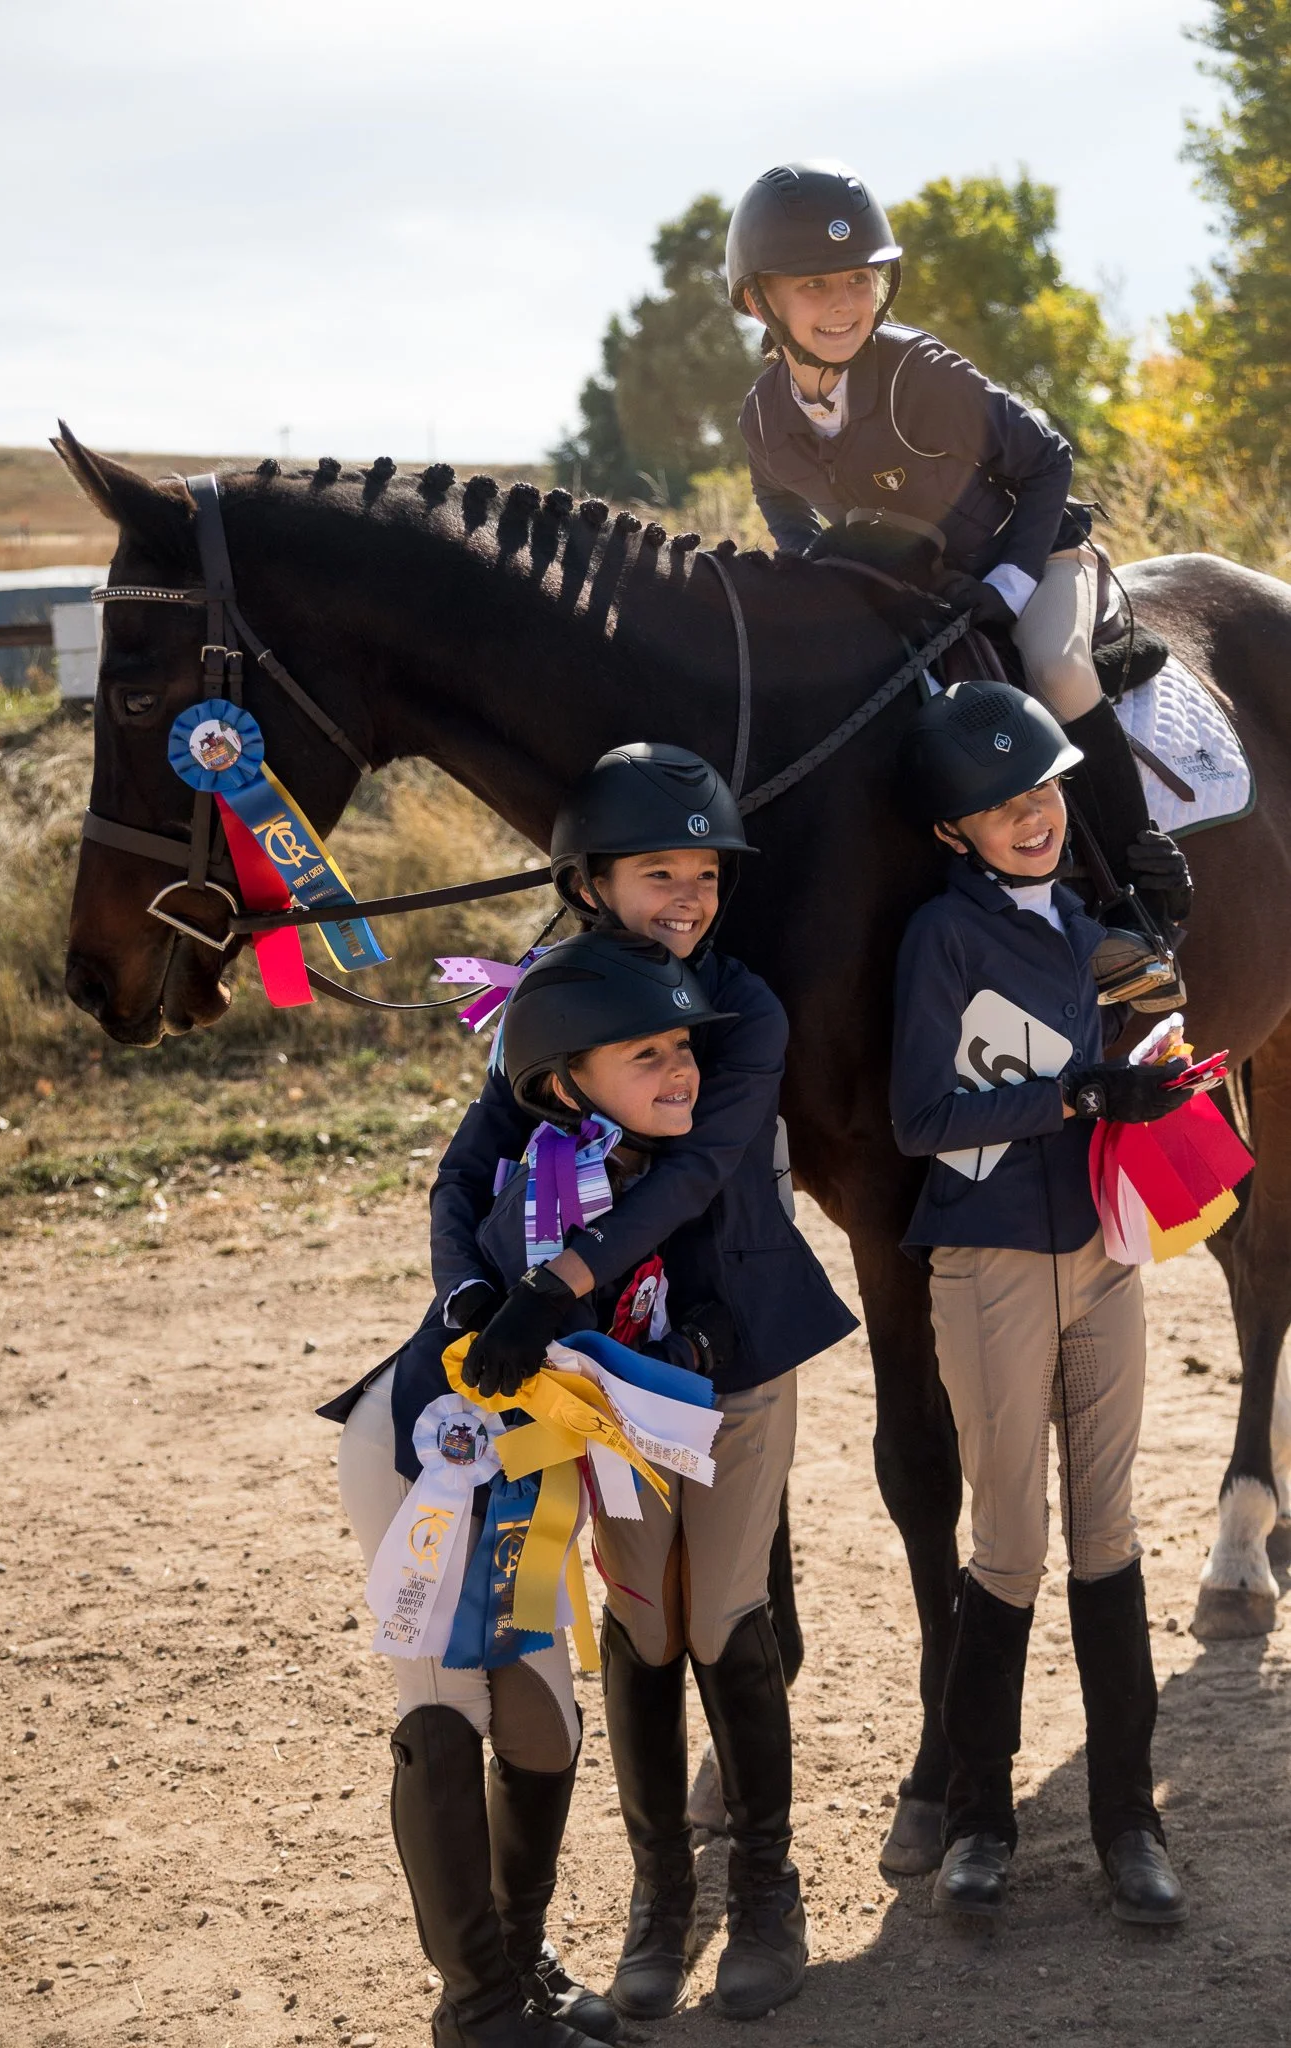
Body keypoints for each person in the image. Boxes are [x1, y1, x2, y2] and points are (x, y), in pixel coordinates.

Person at [435, 743, 858, 2024]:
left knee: (727, 1608)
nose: (688, 892)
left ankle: (766, 1883)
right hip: (604, 1377)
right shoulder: (551, 1001)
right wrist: (471, 1295)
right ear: (589, 881)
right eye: (657, 870)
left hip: (729, 1356)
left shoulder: (745, 1006)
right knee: (640, 1617)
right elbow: (465, 1173)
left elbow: (695, 1173)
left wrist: (551, 1278)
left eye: (705, 870)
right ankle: (662, 1892)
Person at [322, 932, 738, 2048]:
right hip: (430, 1459)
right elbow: (528, 1281)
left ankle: (514, 1956)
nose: (680, 1067)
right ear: (564, 1085)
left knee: (544, 1728)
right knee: (447, 1712)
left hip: (522, 1477)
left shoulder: (655, 1166)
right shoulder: (556, 1180)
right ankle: (481, 2008)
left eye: (683, 1044)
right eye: (643, 1050)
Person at [725, 159, 1193, 1009]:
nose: (842, 304)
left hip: (1038, 558)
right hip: (923, 586)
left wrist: (1012, 582)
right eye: (815, 286)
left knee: (1054, 669)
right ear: (761, 302)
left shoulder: (919, 373)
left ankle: (1141, 897)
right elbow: (776, 494)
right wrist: (809, 562)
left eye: (858, 280)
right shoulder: (762, 413)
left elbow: (1047, 460)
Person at [889, 678, 1198, 1926]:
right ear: (952, 830)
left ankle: (1129, 1814)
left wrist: (1162, 971)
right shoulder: (940, 939)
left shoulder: (1083, 919)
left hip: (1105, 1254)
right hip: (990, 1260)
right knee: (1009, 1540)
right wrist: (1072, 1101)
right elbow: (921, 1116)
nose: (1034, 815)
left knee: (1110, 1536)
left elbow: (1143, 1042)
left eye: (1048, 791)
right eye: (1002, 803)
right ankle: (979, 1814)